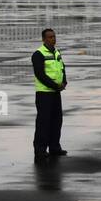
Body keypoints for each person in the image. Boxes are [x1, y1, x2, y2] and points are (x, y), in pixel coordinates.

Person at [32, 28, 68, 160]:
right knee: (43, 122)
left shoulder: (57, 52)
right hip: (44, 93)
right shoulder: (38, 54)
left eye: (54, 37)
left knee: (56, 121)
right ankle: (40, 149)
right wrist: (55, 86)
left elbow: (62, 68)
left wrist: (64, 81)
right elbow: (40, 74)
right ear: (44, 39)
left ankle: (54, 147)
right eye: (50, 37)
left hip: (56, 93)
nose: (53, 39)